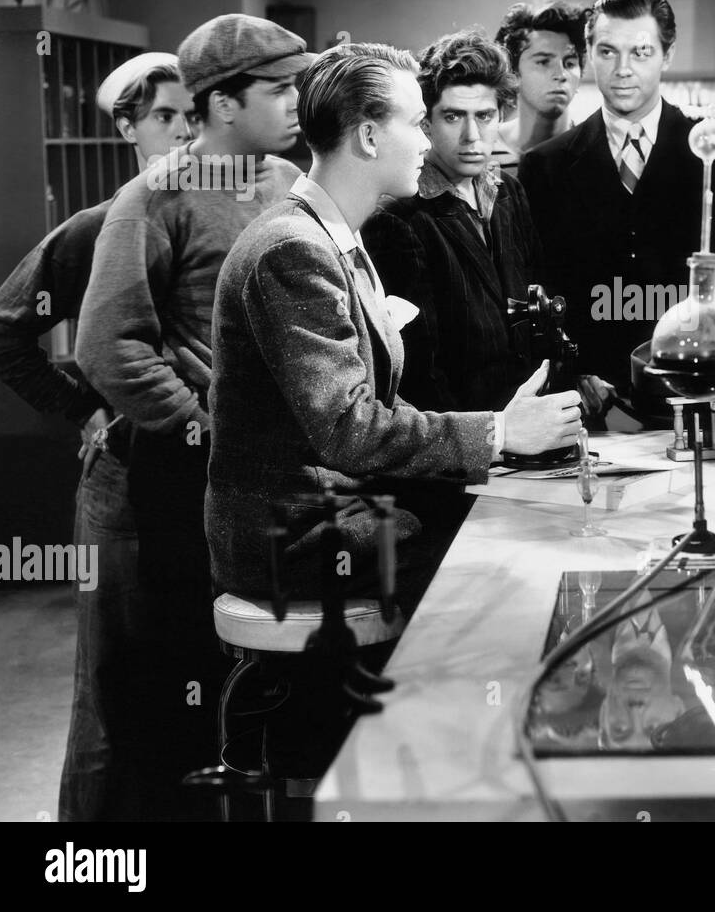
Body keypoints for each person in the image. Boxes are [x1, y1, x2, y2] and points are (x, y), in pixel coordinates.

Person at [206, 42, 582, 613]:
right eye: (417, 122)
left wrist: (499, 439)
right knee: (507, 569)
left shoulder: (335, 234)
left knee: (514, 541)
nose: (431, 141)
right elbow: (349, 429)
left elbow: (374, 410)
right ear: (369, 137)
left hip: (350, 514)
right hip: (298, 540)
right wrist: (500, 433)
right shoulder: (292, 249)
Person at [75, 14, 313, 819]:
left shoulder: (286, 187)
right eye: (278, 90)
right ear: (219, 104)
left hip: (261, 490)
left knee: (239, 692)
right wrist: (202, 427)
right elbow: (107, 347)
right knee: (157, 700)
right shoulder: (154, 196)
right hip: (174, 484)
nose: (296, 104)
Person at [0, 52, 194, 821]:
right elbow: (7, 331)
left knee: (181, 684)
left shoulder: (220, 212)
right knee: (111, 688)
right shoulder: (97, 227)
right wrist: (82, 403)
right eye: (161, 118)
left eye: (190, 115)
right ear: (126, 129)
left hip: (192, 483)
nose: (180, 133)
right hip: (122, 482)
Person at [519, 0, 715, 397]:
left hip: (703, 385)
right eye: (608, 52)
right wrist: (572, 372)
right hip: (593, 400)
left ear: (667, 55)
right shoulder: (545, 164)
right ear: (590, 53)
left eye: (641, 53)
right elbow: (540, 288)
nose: (622, 69)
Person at [364, 29, 550, 414]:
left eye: (484, 116)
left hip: (528, 420)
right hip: (462, 438)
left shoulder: (509, 192)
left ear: (500, 116)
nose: (472, 135)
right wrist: (481, 443)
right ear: (426, 124)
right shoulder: (398, 217)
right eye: (453, 117)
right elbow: (418, 371)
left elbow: (534, 308)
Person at [492, 0, 587, 171]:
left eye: (570, 63)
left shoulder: (594, 151)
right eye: (543, 62)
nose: (561, 74)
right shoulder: (480, 149)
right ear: (513, 71)